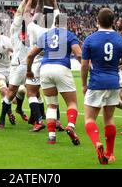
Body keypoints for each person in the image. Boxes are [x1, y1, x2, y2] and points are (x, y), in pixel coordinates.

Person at [81, 8, 122, 165]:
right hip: (113, 83)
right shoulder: (120, 40)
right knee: (109, 118)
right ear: (113, 22)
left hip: (96, 83)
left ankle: (97, 142)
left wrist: (84, 84)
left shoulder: (90, 40)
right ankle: (110, 154)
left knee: (90, 118)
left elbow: (84, 66)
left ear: (97, 21)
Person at [26, 14, 82, 145]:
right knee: (72, 103)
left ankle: (51, 136)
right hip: (62, 68)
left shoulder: (46, 35)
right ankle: (71, 126)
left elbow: (30, 55)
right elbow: (78, 54)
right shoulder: (69, 35)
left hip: (45, 69)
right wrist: (88, 68)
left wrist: (29, 71)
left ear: (55, 23)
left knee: (51, 104)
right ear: (65, 23)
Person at [0, 0, 30, 129]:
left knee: (27, 92)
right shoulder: (14, 30)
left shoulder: (33, 32)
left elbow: (28, 14)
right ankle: (1, 119)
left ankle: (36, 118)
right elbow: (20, 12)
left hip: (30, 66)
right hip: (17, 65)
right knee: (11, 93)